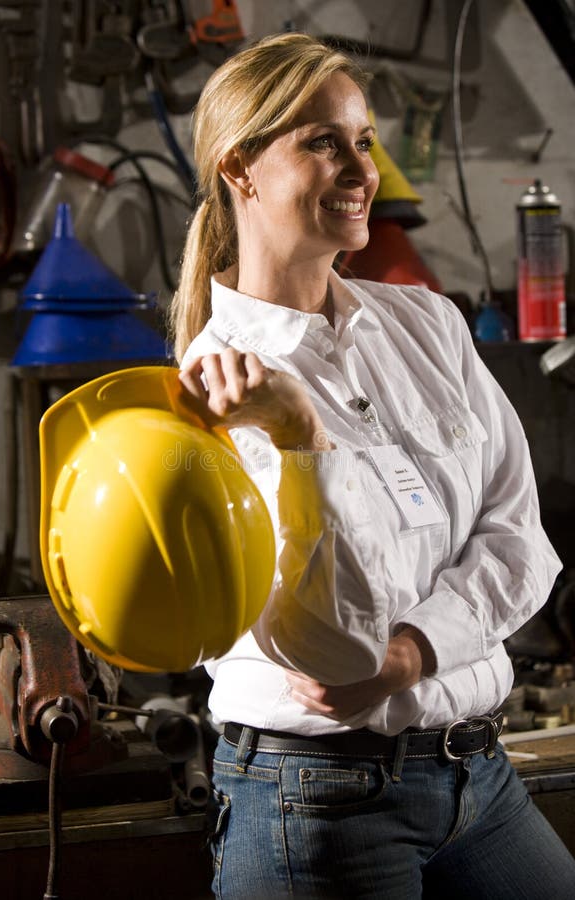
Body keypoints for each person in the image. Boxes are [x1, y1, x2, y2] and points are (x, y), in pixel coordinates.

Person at [172, 32, 575, 900]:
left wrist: (412, 653)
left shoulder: (427, 325)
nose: (362, 170)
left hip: (480, 775)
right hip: (314, 804)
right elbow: (328, 655)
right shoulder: (205, 393)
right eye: (323, 142)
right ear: (240, 167)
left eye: (363, 140)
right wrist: (297, 438)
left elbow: (523, 539)